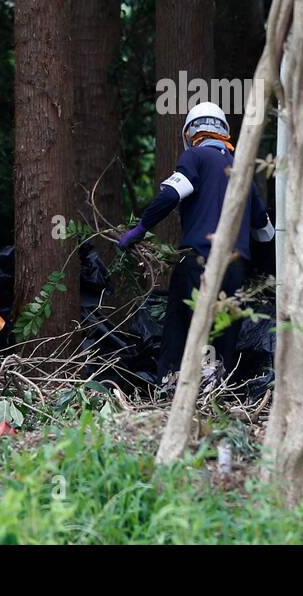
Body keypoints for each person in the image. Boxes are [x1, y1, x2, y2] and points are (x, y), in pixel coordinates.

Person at [116, 102, 275, 387]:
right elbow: (265, 231)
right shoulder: (242, 172)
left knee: (179, 330)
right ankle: (214, 397)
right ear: (224, 132)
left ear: (190, 134)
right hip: (234, 270)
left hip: (198, 261)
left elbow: (171, 194)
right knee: (220, 342)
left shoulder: (196, 156)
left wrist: (140, 229)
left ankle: (169, 390)